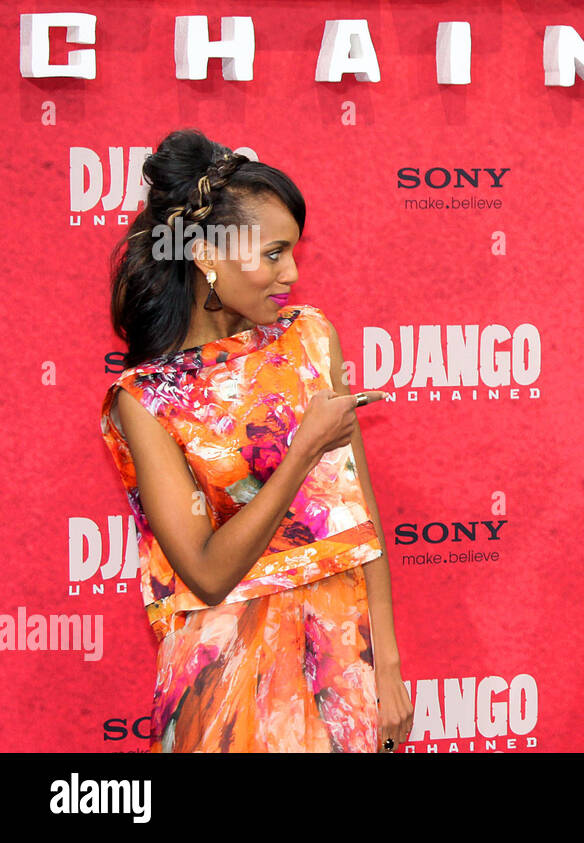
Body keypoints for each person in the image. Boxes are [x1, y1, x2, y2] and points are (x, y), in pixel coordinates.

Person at [99, 128, 413, 752]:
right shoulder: (146, 399)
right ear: (210, 256)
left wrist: (388, 663)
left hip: (339, 659)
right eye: (274, 254)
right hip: (225, 679)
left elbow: (359, 517)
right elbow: (208, 573)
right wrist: (302, 452)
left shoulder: (312, 339)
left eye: (294, 252)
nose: (291, 273)